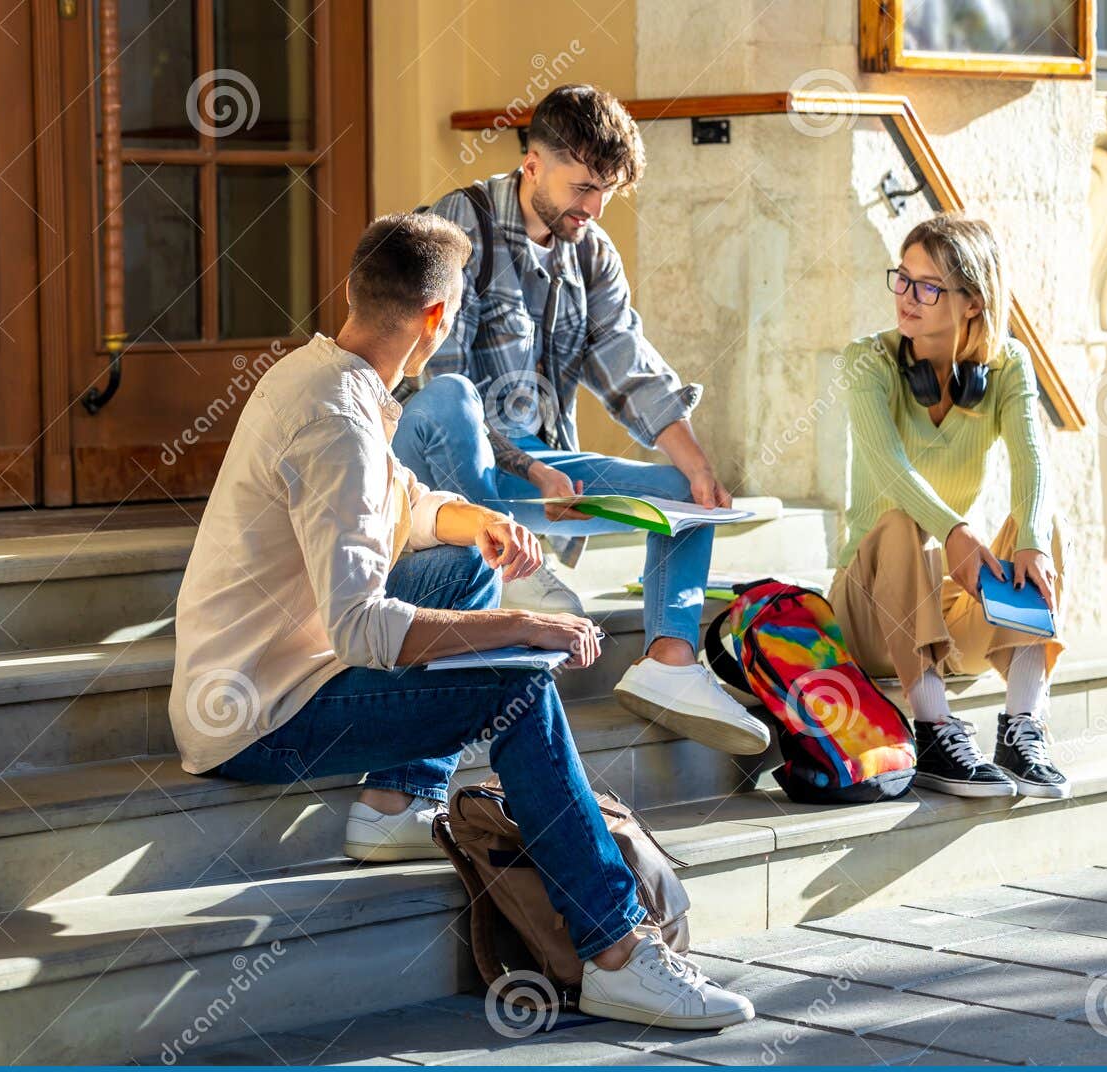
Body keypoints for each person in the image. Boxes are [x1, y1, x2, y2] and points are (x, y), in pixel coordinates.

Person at [169, 212, 754, 1030]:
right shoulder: (335, 419)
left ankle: (396, 801)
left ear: (355, 292)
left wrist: (474, 520)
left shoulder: (324, 376)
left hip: (279, 671)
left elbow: (402, 501)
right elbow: (363, 629)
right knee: (518, 688)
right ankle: (618, 953)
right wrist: (522, 629)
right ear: (438, 318)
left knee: (469, 561)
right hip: (260, 717)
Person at [393, 84, 768, 758]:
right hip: (442, 473)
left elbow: (627, 360)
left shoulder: (590, 252)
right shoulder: (461, 223)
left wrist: (697, 465)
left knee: (682, 498)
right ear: (533, 164)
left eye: (607, 193)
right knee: (450, 400)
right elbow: (438, 381)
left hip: (537, 475)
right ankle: (510, 571)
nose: (594, 208)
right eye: (585, 187)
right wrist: (530, 466)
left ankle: (670, 662)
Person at [830, 213, 1068, 799]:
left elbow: (1031, 460)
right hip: (869, 614)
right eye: (903, 278)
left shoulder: (1008, 365)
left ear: (973, 302)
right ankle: (934, 730)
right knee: (901, 524)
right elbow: (891, 469)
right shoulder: (868, 361)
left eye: (928, 286)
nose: (907, 297)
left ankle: (1022, 728)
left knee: (1042, 527)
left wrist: (1031, 541)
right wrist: (954, 530)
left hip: (952, 617)